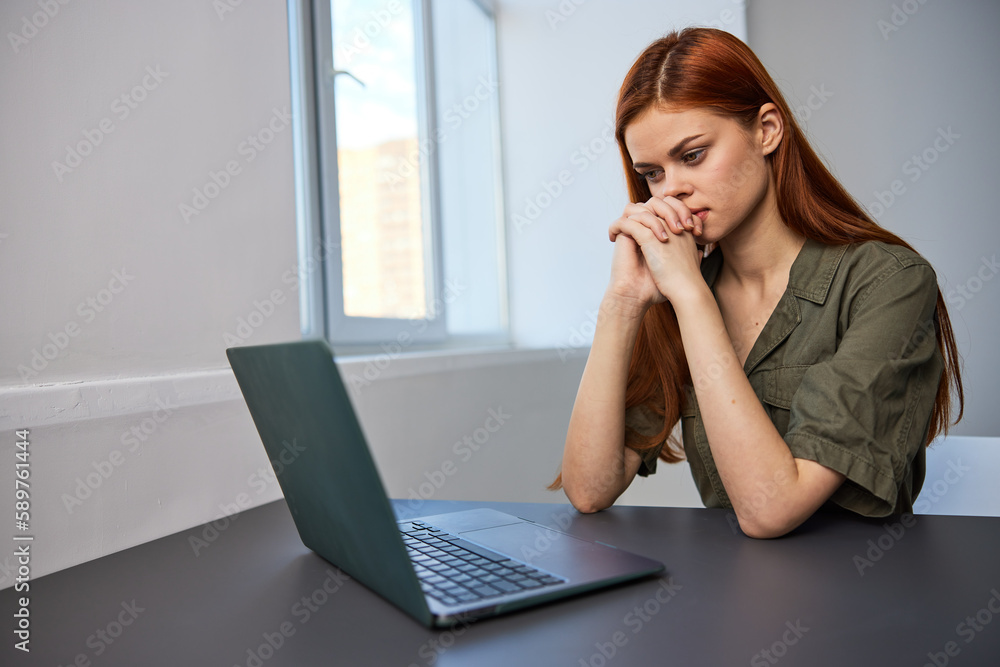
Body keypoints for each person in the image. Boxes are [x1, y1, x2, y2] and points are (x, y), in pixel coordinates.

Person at [551, 27, 963, 539]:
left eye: (693, 155)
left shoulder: (889, 282)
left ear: (767, 130)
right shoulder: (681, 287)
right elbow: (589, 489)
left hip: (864, 595)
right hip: (731, 595)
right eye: (652, 173)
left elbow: (772, 511)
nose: (671, 188)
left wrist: (692, 299)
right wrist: (622, 301)